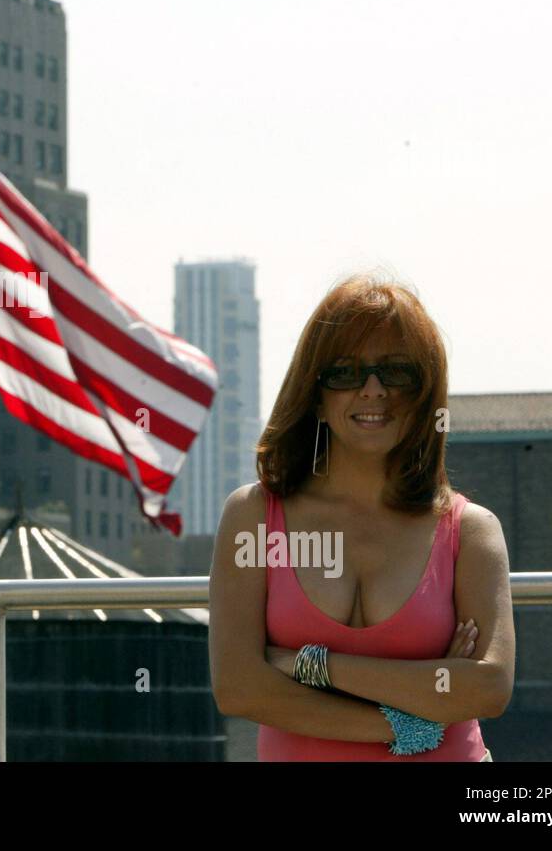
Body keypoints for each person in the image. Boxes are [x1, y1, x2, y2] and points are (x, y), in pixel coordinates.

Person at [208, 272, 514, 760]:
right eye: (346, 372)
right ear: (315, 396)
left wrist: (312, 666)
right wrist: (411, 721)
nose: (373, 390)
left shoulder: (470, 530)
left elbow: (488, 688)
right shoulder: (254, 518)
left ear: (423, 396)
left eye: (396, 373)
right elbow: (241, 688)